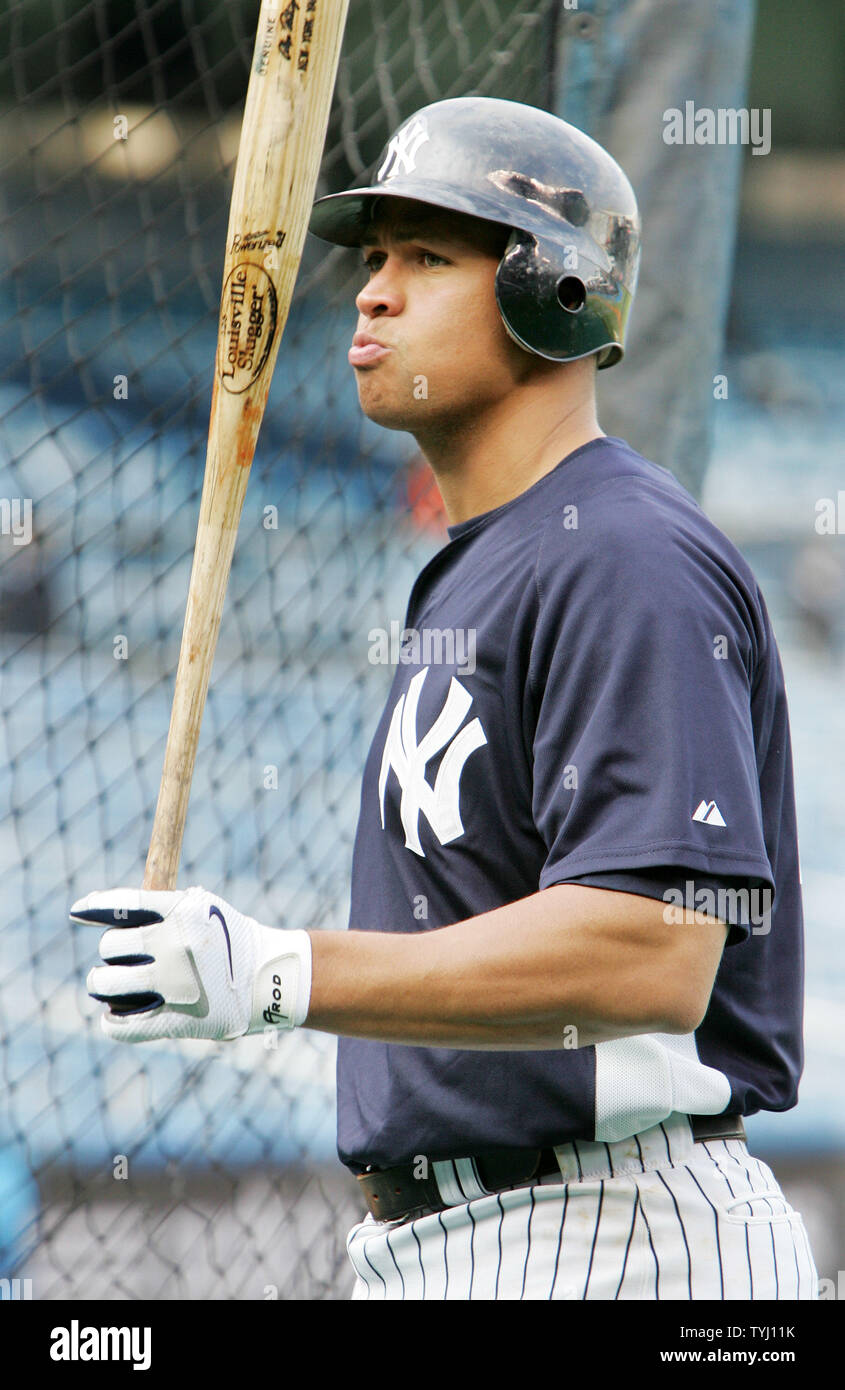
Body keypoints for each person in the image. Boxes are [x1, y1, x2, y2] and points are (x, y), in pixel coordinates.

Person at [74, 98, 818, 1301]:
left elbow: (652, 947)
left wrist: (275, 972)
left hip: (613, 1233)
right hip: (472, 1239)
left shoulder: (619, 550)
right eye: (373, 259)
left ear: (550, 290)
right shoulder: (489, 562)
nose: (371, 293)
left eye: (426, 256)